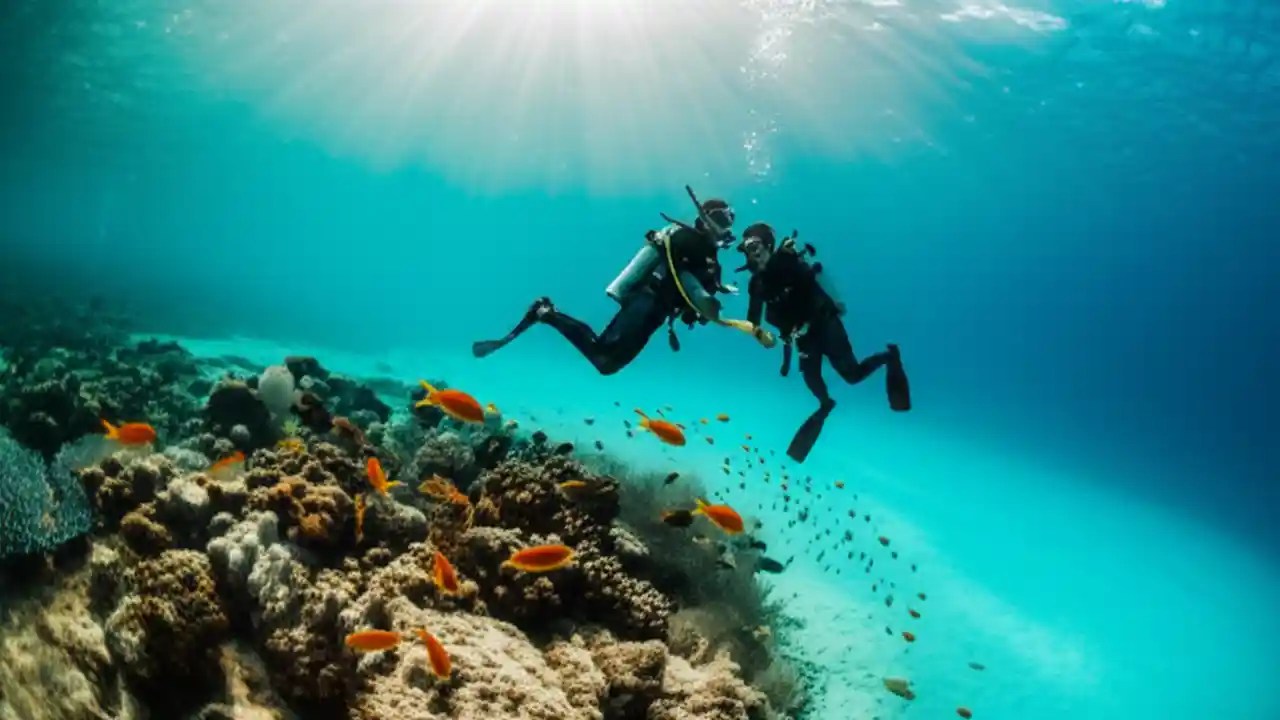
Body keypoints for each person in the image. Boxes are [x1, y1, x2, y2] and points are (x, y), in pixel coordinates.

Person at [472, 187, 739, 375]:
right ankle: (545, 312)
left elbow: (696, 293)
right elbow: (687, 281)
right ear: (704, 220)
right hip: (647, 302)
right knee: (605, 359)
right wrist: (703, 301)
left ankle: (547, 313)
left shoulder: (710, 258)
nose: (725, 227)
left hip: (657, 312)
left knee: (607, 363)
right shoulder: (687, 239)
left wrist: (699, 310)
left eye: (729, 221)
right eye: (721, 219)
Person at [737, 222, 911, 462]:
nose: (752, 252)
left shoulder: (789, 264)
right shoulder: (756, 284)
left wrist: (827, 308)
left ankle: (889, 357)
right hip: (803, 336)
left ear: (768, 244)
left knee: (852, 376)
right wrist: (758, 334)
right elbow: (753, 318)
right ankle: (826, 404)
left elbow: (816, 287)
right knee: (812, 380)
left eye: (755, 245)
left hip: (825, 325)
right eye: (746, 249)